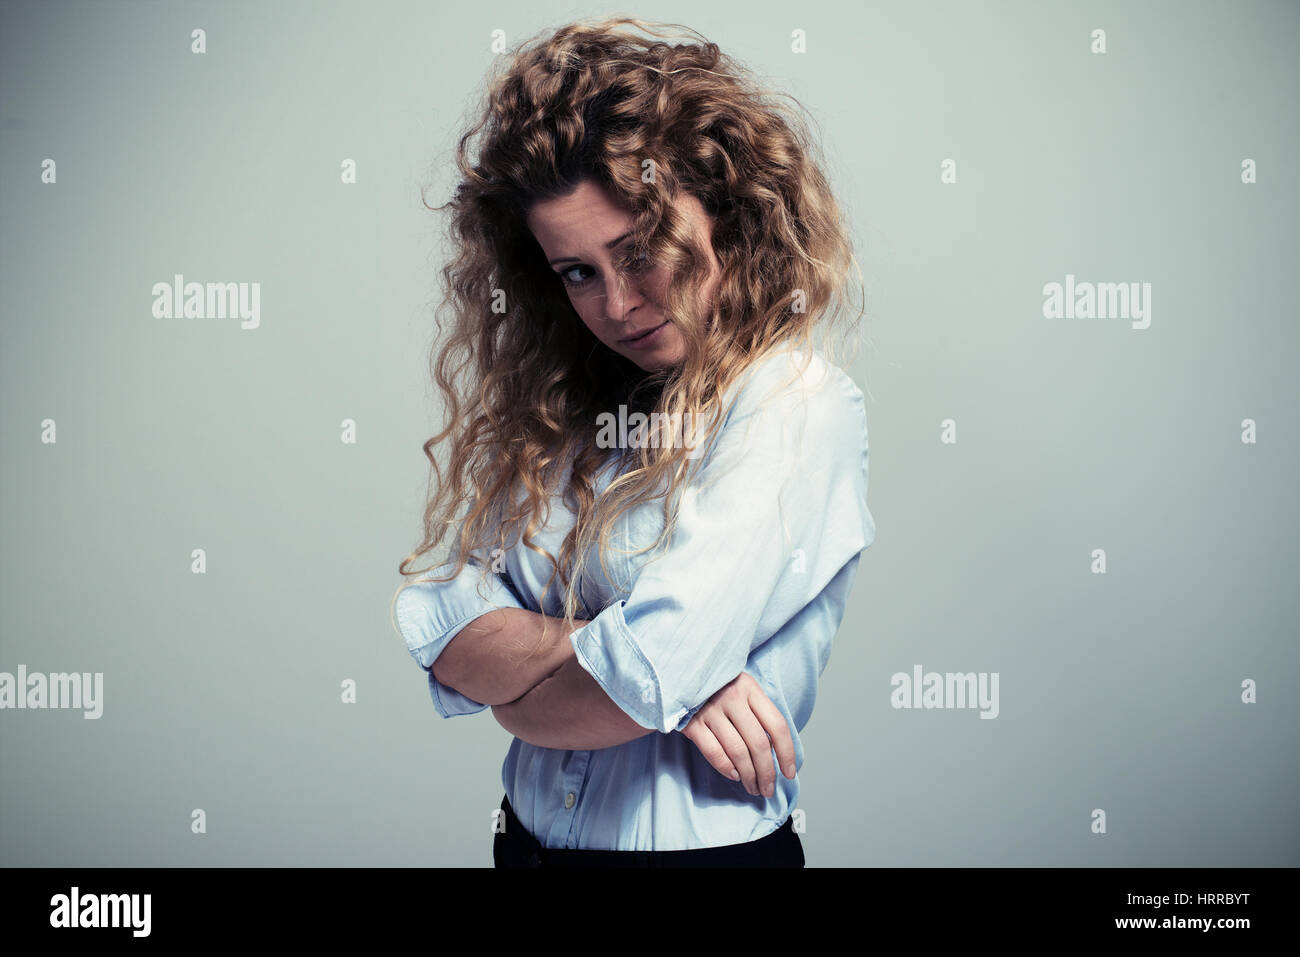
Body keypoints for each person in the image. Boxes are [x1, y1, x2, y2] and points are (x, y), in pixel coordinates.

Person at [392, 16, 875, 867]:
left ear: (724, 209)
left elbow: (641, 679)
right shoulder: (564, 410)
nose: (617, 303)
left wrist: (550, 678)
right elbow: (446, 626)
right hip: (523, 844)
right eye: (577, 272)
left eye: (641, 248)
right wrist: (645, 676)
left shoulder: (794, 404)